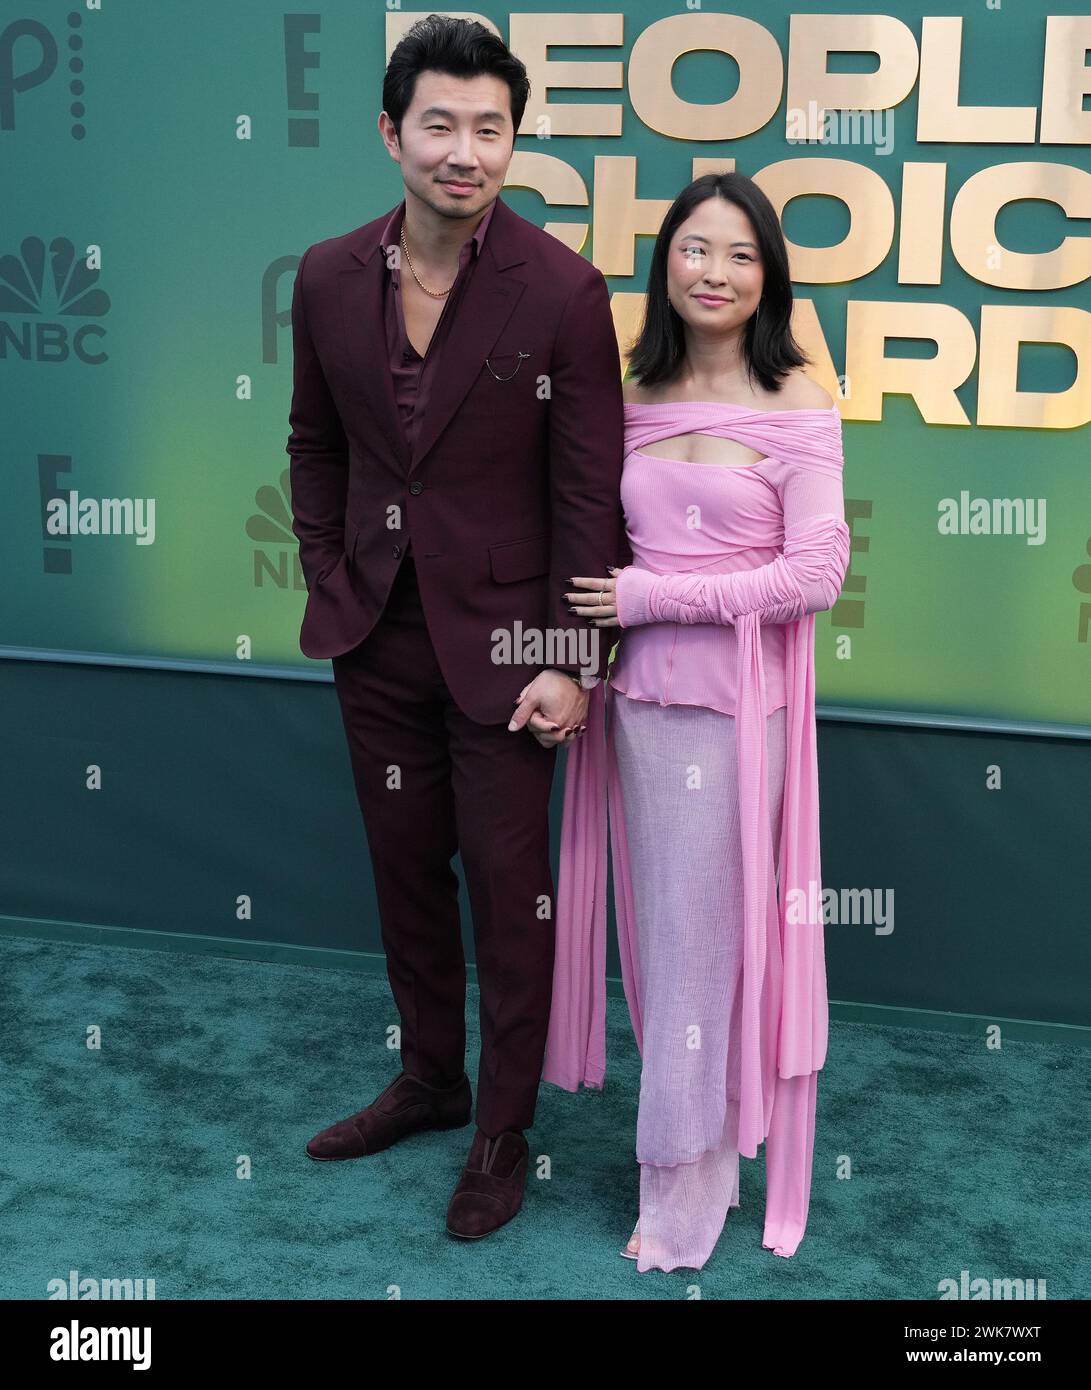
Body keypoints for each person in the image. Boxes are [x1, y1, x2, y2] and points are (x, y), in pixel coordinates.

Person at [287, 15, 627, 1239]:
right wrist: (329, 572)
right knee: (402, 868)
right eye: (440, 123)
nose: (465, 150)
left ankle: (501, 1126)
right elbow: (314, 443)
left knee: (508, 888)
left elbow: (589, 495)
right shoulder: (326, 275)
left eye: (491, 127)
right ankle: (428, 1079)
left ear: (513, 141)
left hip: (511, 654)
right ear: (391, 134)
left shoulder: (564, 290)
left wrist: (575, 661)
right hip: (373, 630)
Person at [540, 172, 851, 1272]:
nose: (712, 272)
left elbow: (817, 571)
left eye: (738, 256)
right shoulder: (629, 395)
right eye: (692, 250)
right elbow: (583, 534)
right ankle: (700, 1153)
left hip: (733, 722)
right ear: (663, 262)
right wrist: (580, 658)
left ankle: (679, 1188)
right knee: (669, 951)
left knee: (695, 953)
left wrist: (651, 597)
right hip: (637, 713)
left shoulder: (798, 402)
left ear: (766, 278)